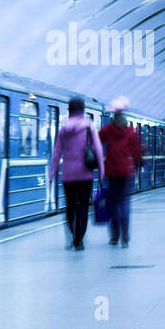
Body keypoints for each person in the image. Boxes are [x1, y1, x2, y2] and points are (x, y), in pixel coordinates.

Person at [48, 96, 105, 251]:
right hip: (85, 174)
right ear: (83, 110)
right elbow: (98, 151)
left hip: (68, 175)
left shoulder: (63, 129)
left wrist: (52, 174)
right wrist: (101, 172)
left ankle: (73, 234)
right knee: (83, 209)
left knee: (70, 207)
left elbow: (56, 153)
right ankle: (79, 240)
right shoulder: (89, 127)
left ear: (70, 110)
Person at [99, 98, 142, 247]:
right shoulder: (130, 131)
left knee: (113, 204)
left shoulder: (106, 130)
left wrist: (101, 163)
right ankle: (125, 235)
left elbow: (97, 144)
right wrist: (137, 166)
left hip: (111, 172)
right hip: (125, 172)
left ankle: (114, 236)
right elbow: (136, 152)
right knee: (124, 204)